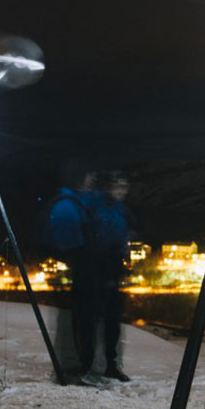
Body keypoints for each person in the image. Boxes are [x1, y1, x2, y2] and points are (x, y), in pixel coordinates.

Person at [47, 164, 107, 387]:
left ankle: (83, 367)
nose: (92, 179)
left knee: (86, 322)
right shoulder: (67, 206)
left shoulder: (81, 203)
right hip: (81, 275)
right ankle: (78, 370)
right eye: (89, 175)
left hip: (86, 273)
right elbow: (70, 245)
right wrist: (86, 259)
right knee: (82, 323)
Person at [89, 171, 136, 383]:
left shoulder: (121, 209)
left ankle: (110, 364)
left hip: (114, 268)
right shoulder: (100, 208)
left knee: (112, 322)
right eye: (117, 187)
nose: (120, 191)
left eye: (123, 187)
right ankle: (93, 366)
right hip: (100, 267)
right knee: (96, 319)